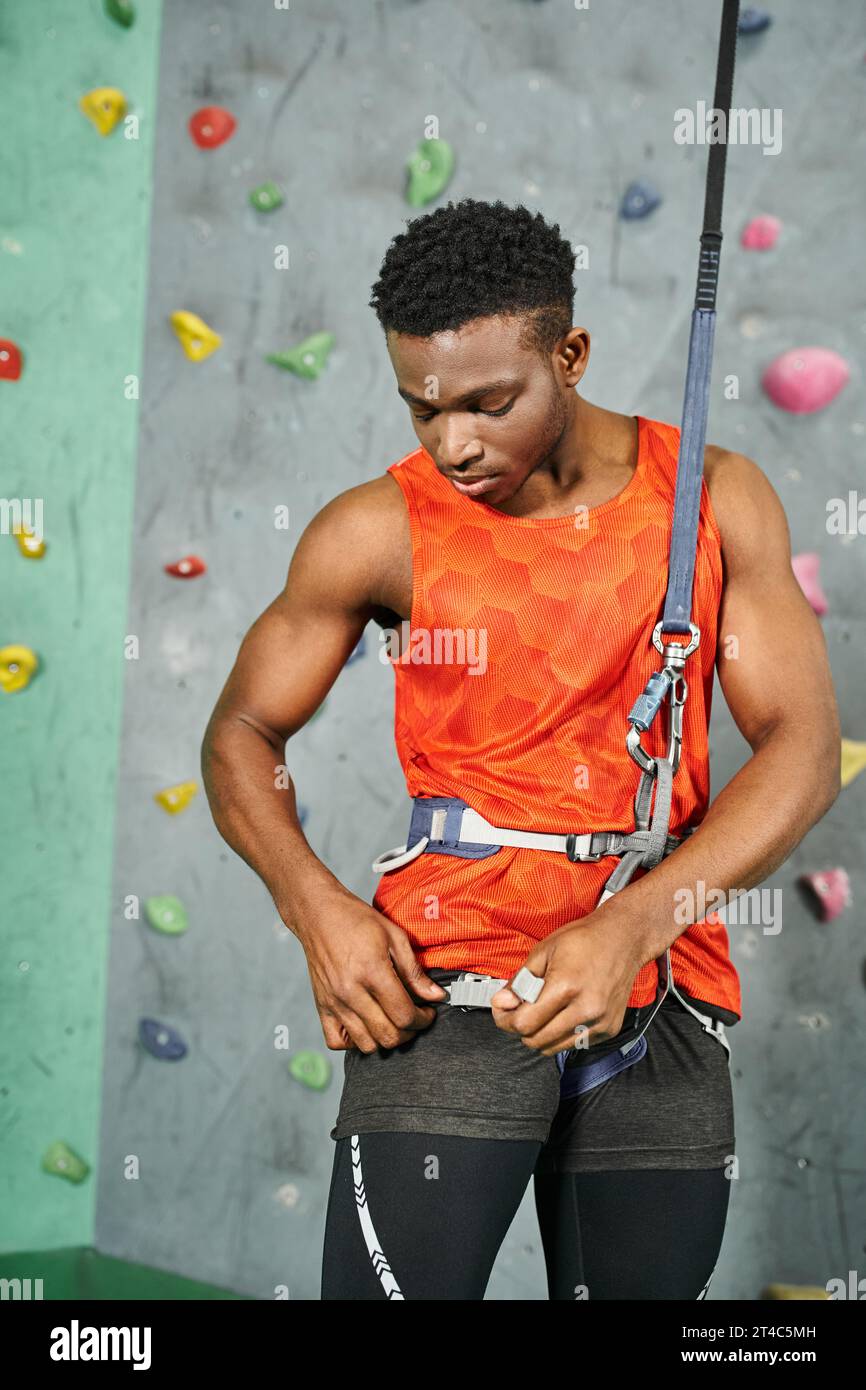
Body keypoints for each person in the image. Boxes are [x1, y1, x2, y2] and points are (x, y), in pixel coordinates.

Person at [201, 198, 841, 1301]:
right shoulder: (375, 529)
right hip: (445, 979)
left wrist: (640, 919)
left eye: (489, 404)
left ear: (571, 354)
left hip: (662, 980)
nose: (454, 443)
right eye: (423, 408)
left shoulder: (713, 498)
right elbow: (240, 732)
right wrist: (315, 908)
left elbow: (803, 744)